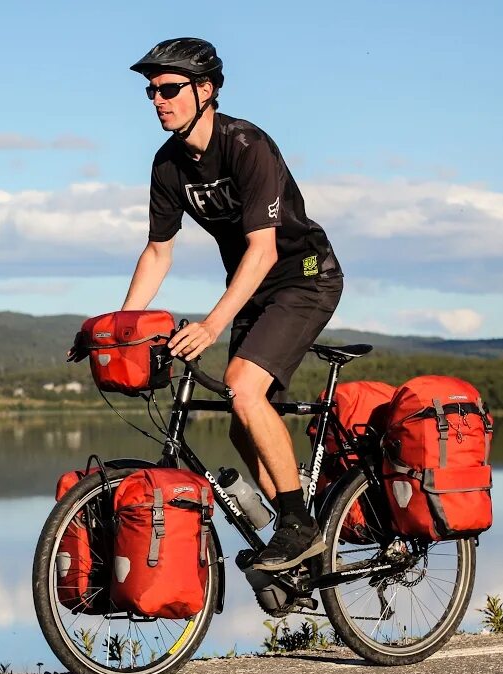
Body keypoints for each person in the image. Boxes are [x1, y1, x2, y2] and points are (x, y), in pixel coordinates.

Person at [122, 38, 344, 571]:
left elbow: (264, 248)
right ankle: (301, 538)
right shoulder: (168, 165)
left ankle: (297, 524)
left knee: (243, 389)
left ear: (206, 91)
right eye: (151, 91)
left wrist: (213, 324)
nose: (158, 99)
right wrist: (119, 325)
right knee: (238, 422)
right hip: (252, 285)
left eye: (169, 89)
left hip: (303, 277)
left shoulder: (246, 145)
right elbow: (157, 252)